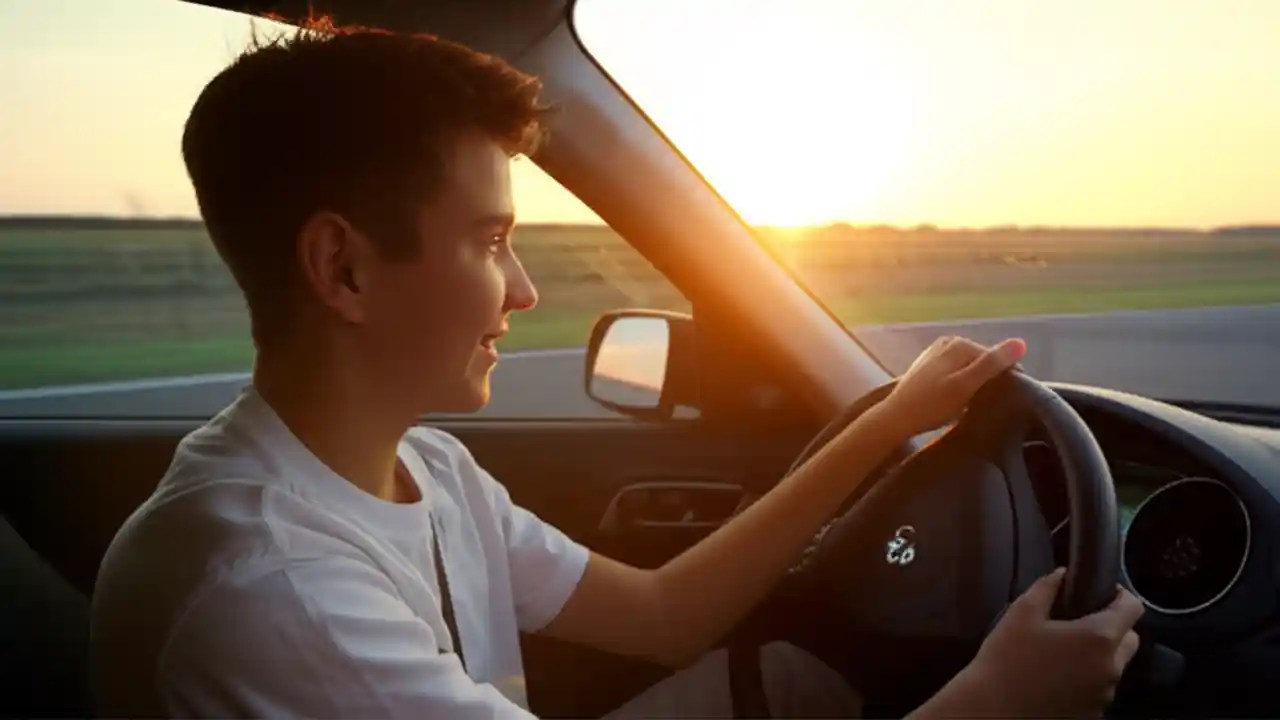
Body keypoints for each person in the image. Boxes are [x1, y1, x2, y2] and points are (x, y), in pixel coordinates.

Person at [89, 20, 1144, 718]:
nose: (523, 291)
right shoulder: (276, 591)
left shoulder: (426, 466)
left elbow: (660, 615)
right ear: (344, 269)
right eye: (490, 241)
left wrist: (879, 421)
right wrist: (992, 704)